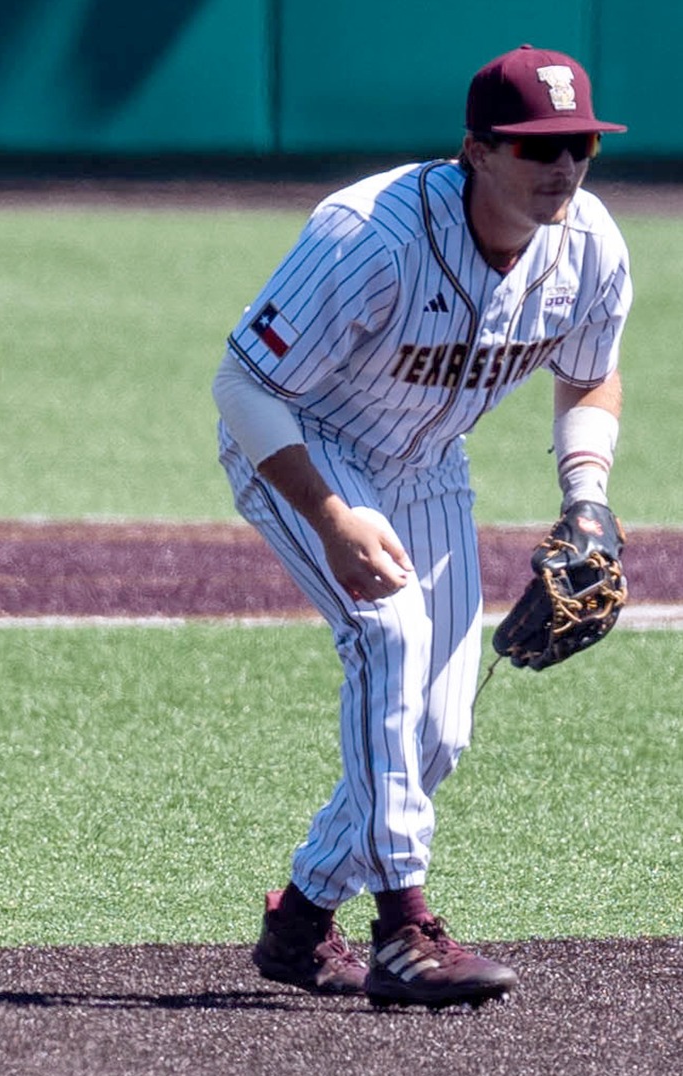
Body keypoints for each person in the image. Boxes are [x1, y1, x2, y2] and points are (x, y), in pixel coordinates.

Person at [211, 44, 631, 1008]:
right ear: (477, 151)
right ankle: (404, 927)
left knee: (437, 733)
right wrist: (330, 515)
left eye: (580, 144)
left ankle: (301, 920)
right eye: (538, 147)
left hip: (429, 462)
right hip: (304, 443)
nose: (564, 164)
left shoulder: (590, 241)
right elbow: (244, 382)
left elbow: (590, 368)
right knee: (389, 634)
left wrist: (588, 499)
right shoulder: (371, 235)